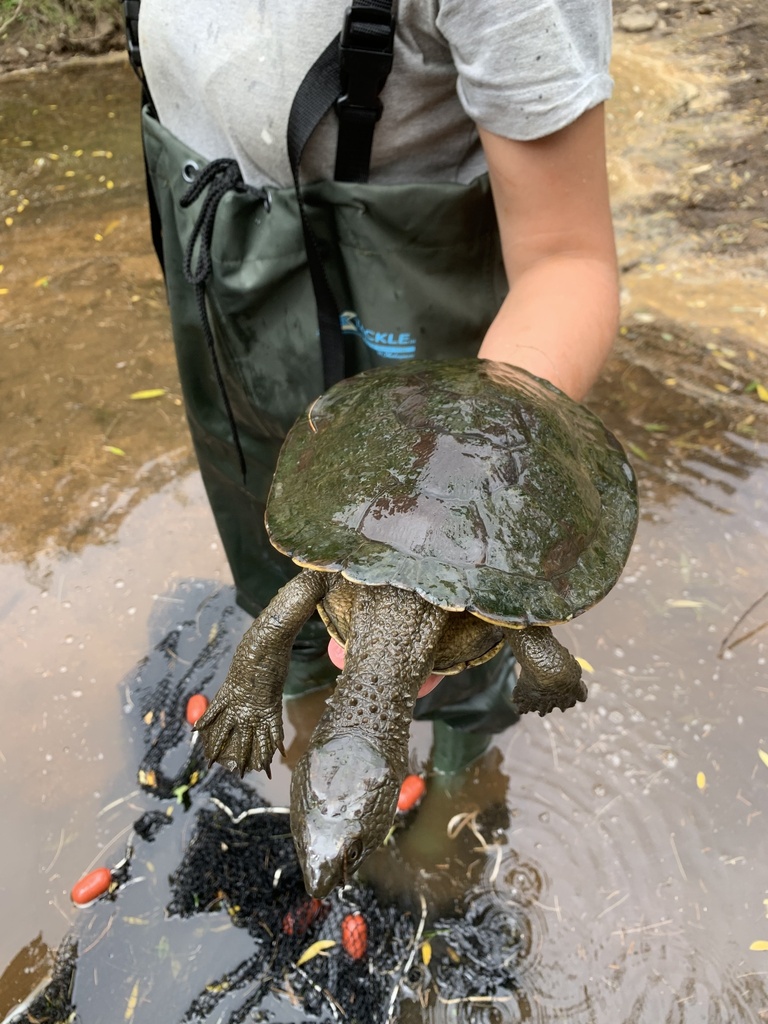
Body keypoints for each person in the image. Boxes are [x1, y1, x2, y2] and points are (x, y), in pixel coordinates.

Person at [132, 0, 619, 770]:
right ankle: (305, 740)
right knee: (281, 598)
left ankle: (463, 774)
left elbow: (569, 259)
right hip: (235, 335)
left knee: (467, 680)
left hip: (453, 390)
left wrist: (474, 458)